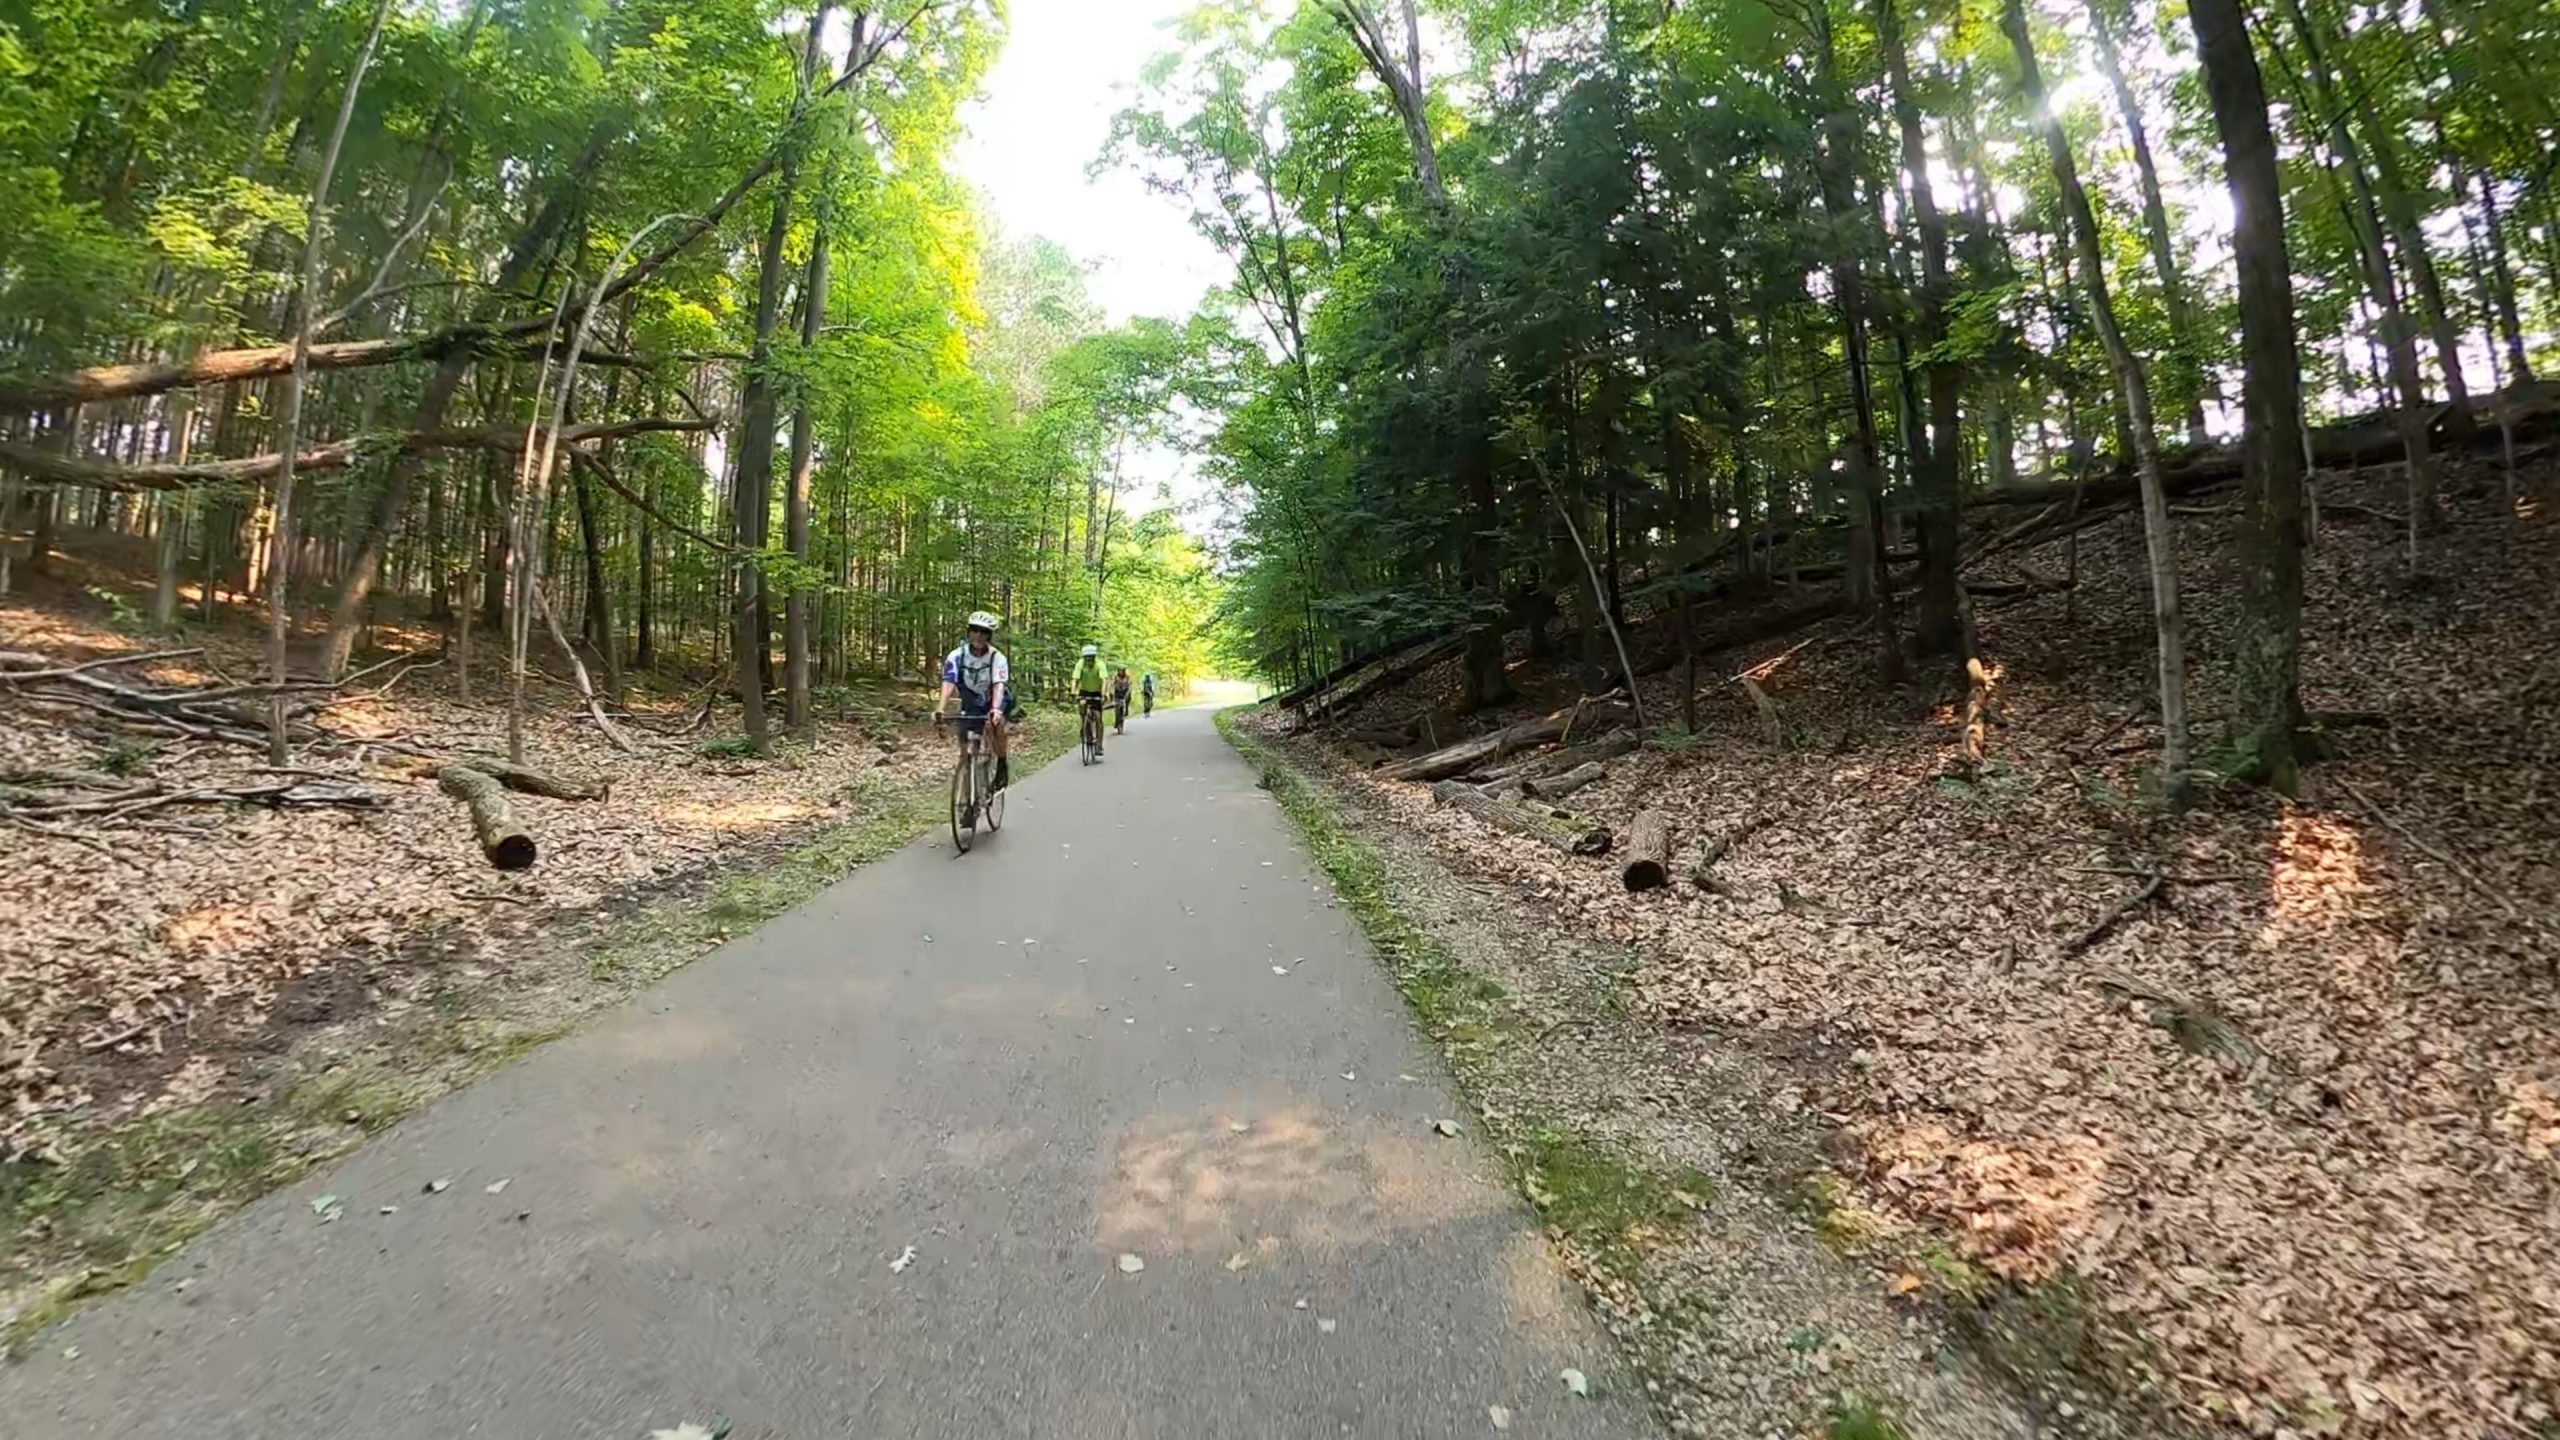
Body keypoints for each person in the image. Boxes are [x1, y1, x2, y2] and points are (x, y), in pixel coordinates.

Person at [936, 611, 1012, 790]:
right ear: (969, 632)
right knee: (966, 749)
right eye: (974, 630)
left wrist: (995, 709)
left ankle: (1001, 764)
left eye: (983, 632)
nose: (978, 635)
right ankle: (968, 794)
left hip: (995, 696)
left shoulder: (997, 658)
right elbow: (948, 682)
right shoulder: (956, 656)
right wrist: (941, 708)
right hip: (972, 700)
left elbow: (998, 685)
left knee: (995, 723)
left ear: (989, 635)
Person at [1071, 643, 1109, 759]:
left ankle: (1099, 744)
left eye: (1091, 657)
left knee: (1098, 717)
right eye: (1086, 658)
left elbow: (1104, 680)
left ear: (1094, 657)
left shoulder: (1100, 664)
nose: (1088, 660)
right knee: (1083, 711)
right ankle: (1085, 727)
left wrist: (1103, 694)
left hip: (1096, 692)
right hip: (1084, 691)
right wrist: (1073, 692)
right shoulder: (1080, 664)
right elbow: (1075, 679)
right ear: (1083, 658)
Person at [1111, 666, 1132, 734]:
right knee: (1116, 707)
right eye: (1119, 670)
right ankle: (1117, 720)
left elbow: (1129, 686)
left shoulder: (1127, 676)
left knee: (1128, 699)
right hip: (1117, 692)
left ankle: (1126, 709)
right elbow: (1112, 685)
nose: (1120, 672)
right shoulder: (1115, 676)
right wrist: (1112, 692)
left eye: (1122, 670)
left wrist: (1127, 695)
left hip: (1125, 692)